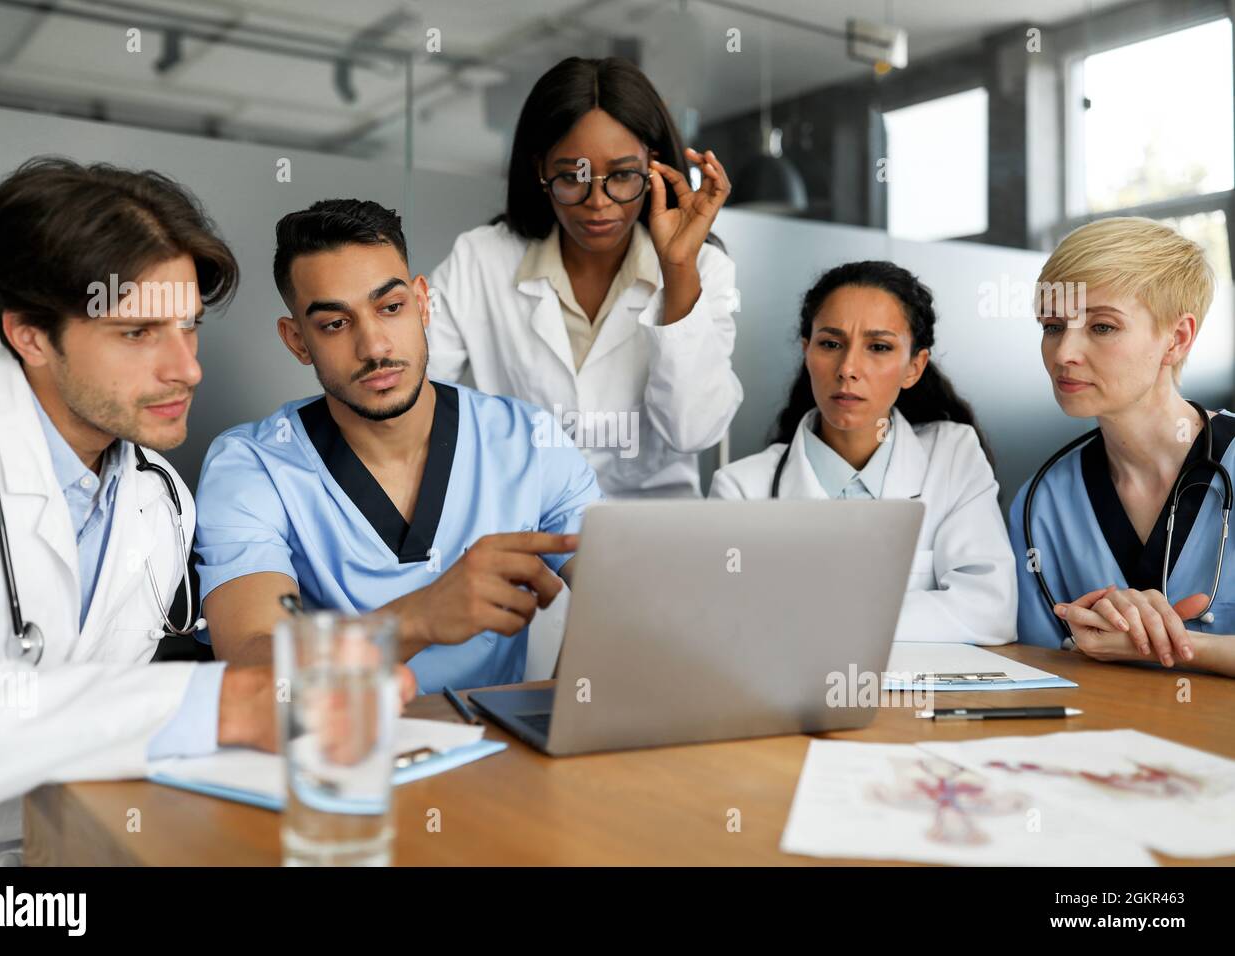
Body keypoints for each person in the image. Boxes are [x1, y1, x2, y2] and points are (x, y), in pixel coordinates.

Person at [0, 158, 276, 863]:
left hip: (74, 849)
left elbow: (99, 725)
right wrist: (212, 705)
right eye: (137, 333)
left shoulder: (161, 497)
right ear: (30, 335)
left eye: (188, 326)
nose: (187, 368)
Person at [195, 199, 602, 694]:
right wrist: (416, 619)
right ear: (297, 340)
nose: (375, 347)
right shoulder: (252, 466)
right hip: (337, 754)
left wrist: (561, 710)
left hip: (495, 752)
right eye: (334, 324)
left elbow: (623, 599)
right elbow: (251, 665)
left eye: (391, 308)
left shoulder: (529, 441)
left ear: (423, 302)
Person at [426, 56, 741, 498]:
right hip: (525, 528)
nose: (598, 202)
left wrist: (678, 268)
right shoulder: (479, 259)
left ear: (653, 166)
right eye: (573, 176)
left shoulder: (705, 269)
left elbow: (693, 431)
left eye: (622, 175)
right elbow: (413, 394)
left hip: (650, 535)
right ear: (540, 168)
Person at [710, 260, 1016, 645]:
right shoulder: (741, 488)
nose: (848, 368)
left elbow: (990, 612)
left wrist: (809, 616)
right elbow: (732, 625)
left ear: (914, 367)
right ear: (807, 353)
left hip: (921, 702)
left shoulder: (953, 455)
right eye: (831, 344)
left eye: (879, 347)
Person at [1010, 217, 1235, 677]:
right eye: (1053, 326)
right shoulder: (1041, 502)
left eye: (1103, 327)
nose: (1064, 353)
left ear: (1177, 338)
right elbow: (1036, 664)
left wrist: (1175, 644)